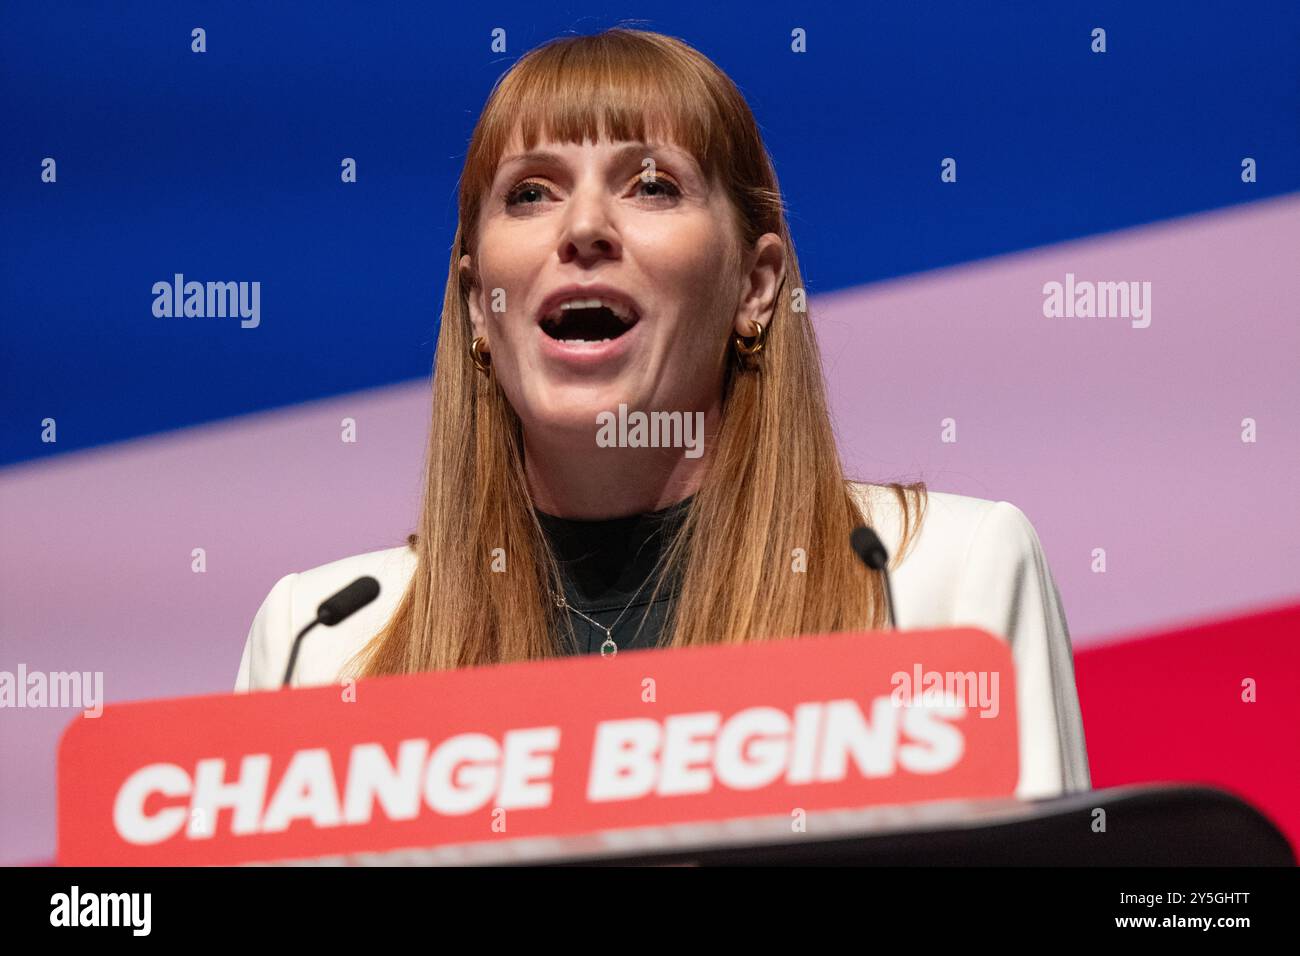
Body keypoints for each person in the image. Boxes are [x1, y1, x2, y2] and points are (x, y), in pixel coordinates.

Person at [235, 27, 1090, 800]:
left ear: (755, 288)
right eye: (531, 193)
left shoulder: (937, 581)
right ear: (476, 306)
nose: (583, 228)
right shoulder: (320, 645)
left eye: (651, 186)